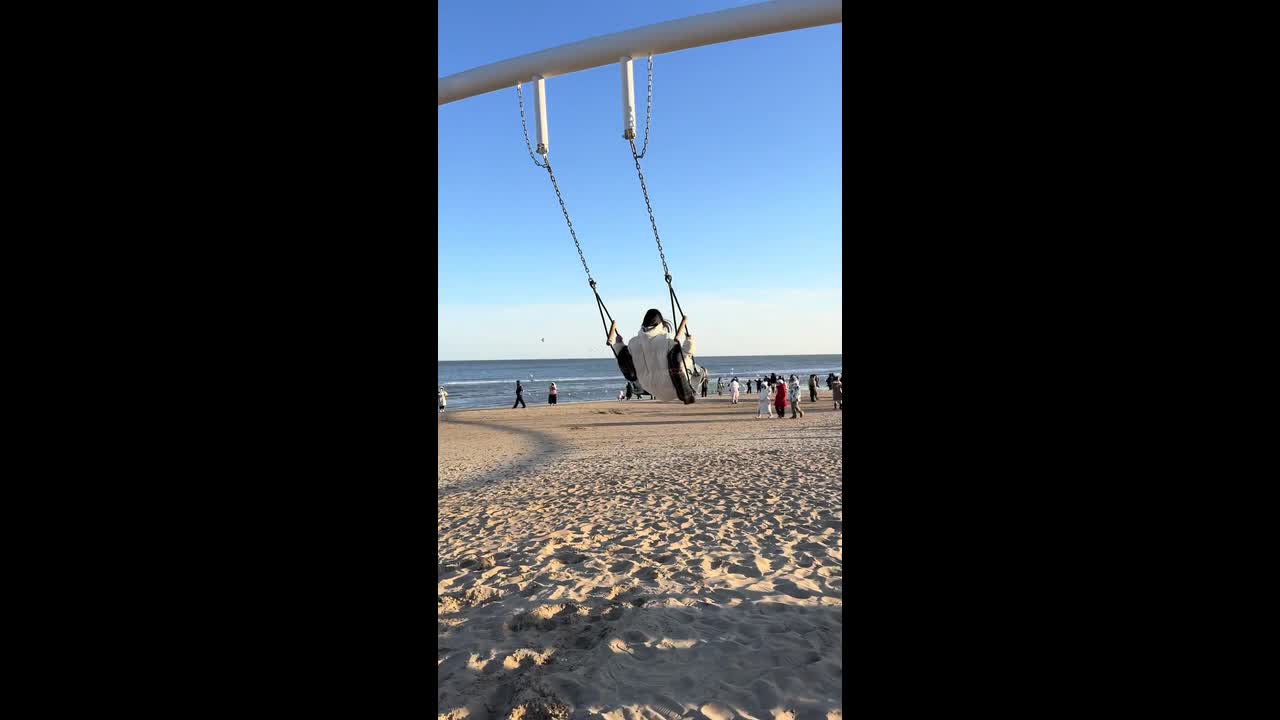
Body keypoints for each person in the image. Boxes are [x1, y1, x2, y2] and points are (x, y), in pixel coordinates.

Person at [609, 308, 701, 404]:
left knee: (626, 357)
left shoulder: (633, 342)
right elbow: (682, 359)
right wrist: (689, 341)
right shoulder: (667, 341)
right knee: (695, 368)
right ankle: (691, 388)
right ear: (660, 324)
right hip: (672, 388)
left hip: (648, 387)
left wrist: (619, 345)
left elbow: (623, 360)